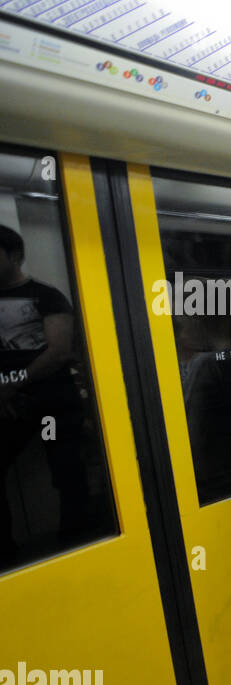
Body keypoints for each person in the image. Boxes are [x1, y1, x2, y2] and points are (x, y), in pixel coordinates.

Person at [0, 224, 99, 571]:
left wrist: (14, 383)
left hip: (47, 405)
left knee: (65, 468)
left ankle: (77, 540)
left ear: (14, 255)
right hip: (8, 405)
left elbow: (58, 351)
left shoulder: (46, 297)